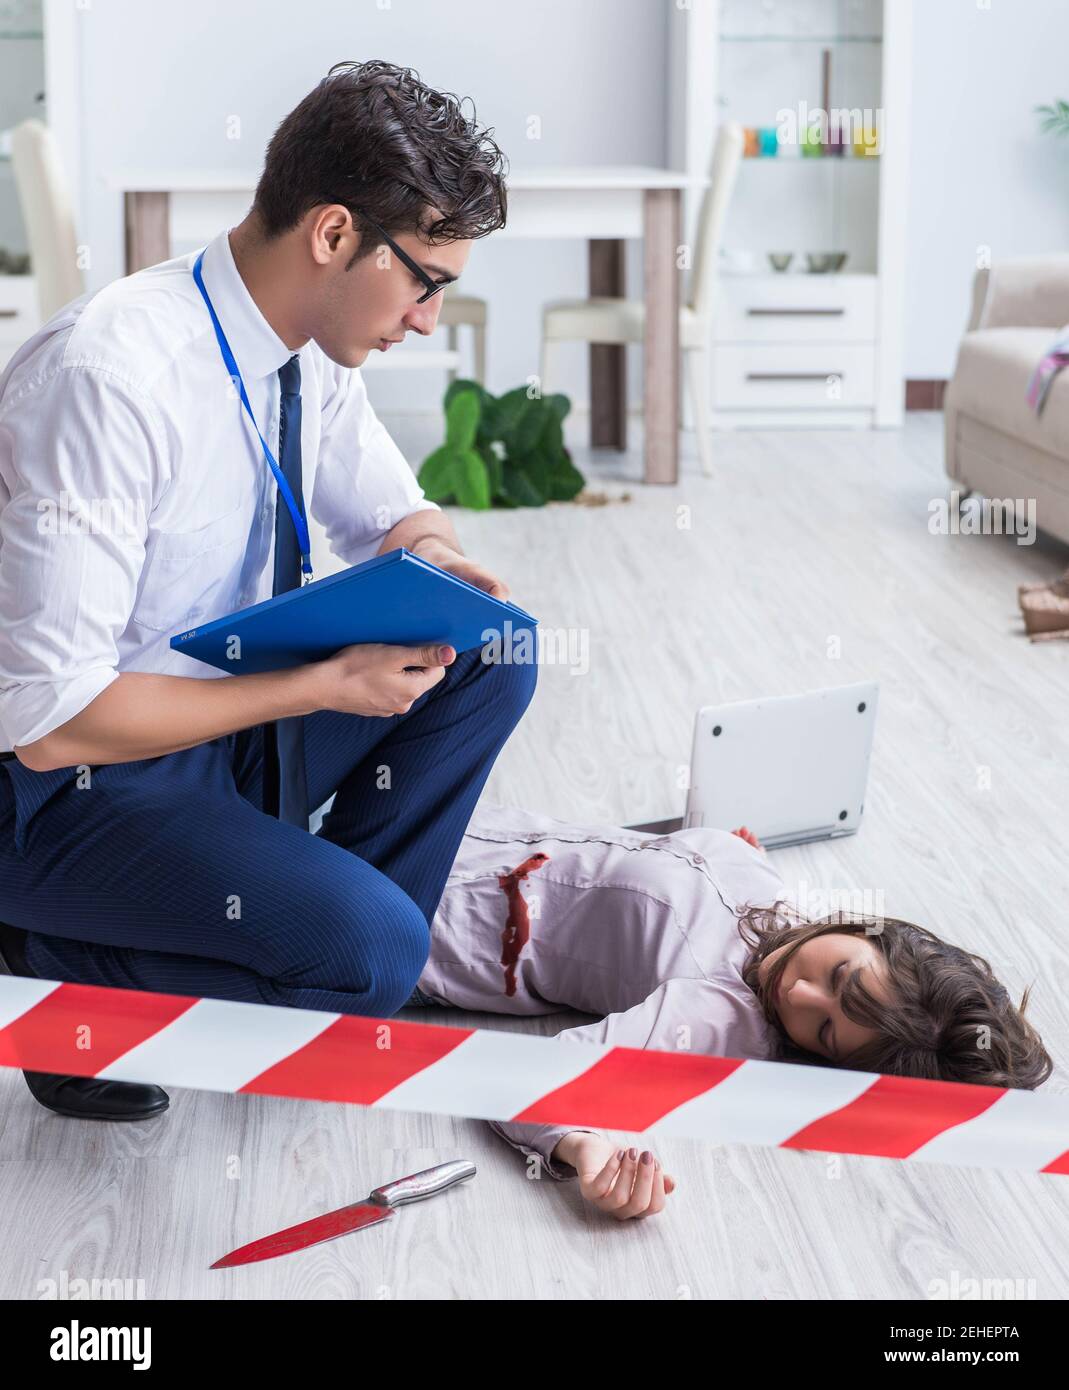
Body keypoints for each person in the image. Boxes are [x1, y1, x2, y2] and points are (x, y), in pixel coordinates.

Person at [0, 60, 534, 1121]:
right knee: (375, 949)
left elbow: (393, 511)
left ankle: (290, 969)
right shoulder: (112, 377)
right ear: (334, 235)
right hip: (59, 789)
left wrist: (439, 564)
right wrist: (320, 685)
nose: (429, 319)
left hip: (198, 728)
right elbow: (50, 725)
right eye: (426, 278)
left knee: (493, 649)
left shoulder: (308, 346)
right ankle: (63, 977)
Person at [409, 804, 1053, 1222]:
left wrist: (581, 1148)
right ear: (876, 934)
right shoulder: (784, 914)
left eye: (823, 1031)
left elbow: (517, 1075)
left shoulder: (719, 1018)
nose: (798, 995)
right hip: (450, 820)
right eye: (839, 975)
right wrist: (729, 852)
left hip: (420, 918)